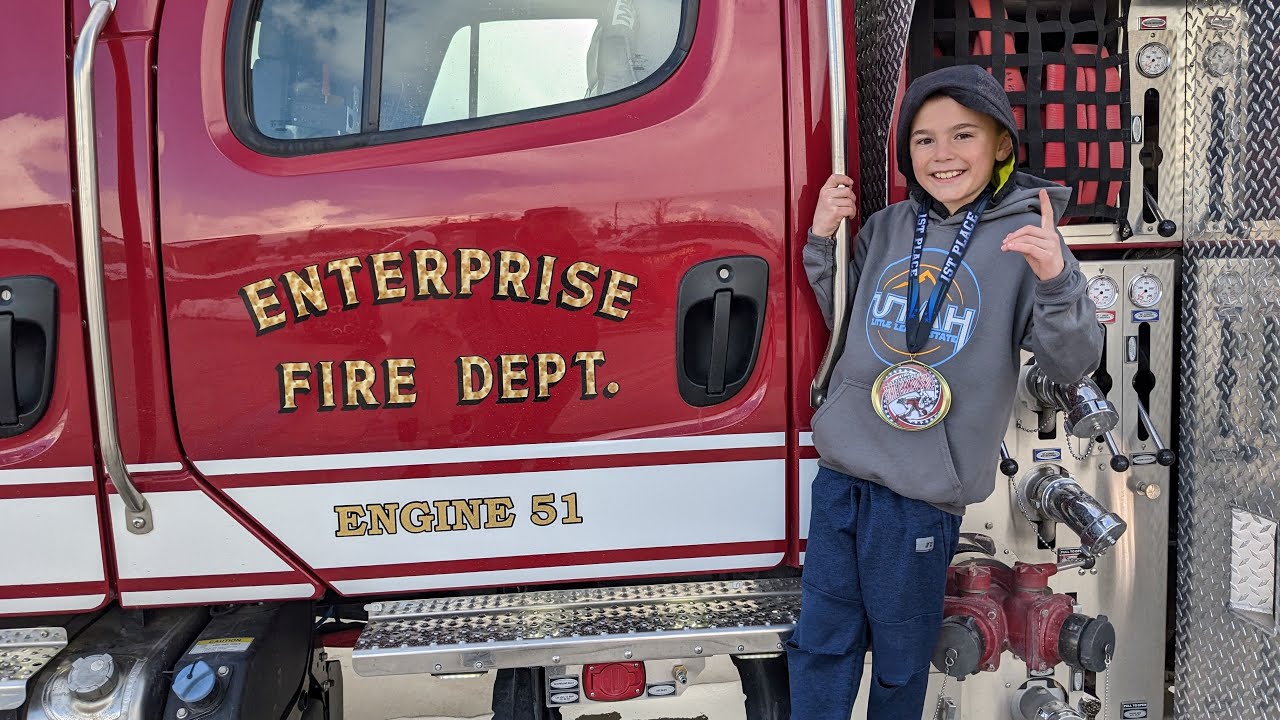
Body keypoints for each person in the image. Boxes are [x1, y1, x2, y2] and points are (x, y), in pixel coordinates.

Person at [787, 64, 1104, 719]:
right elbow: (842, 316)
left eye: (963, 135)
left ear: (1001, 147)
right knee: (821, 641)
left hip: (920, 496)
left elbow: (1071, 359)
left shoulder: (1027, 240)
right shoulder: (889, 226)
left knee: (901, 660)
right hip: (843, 474)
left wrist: (1054, 277)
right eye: (924, 140)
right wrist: (822, 238)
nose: (943, 154)